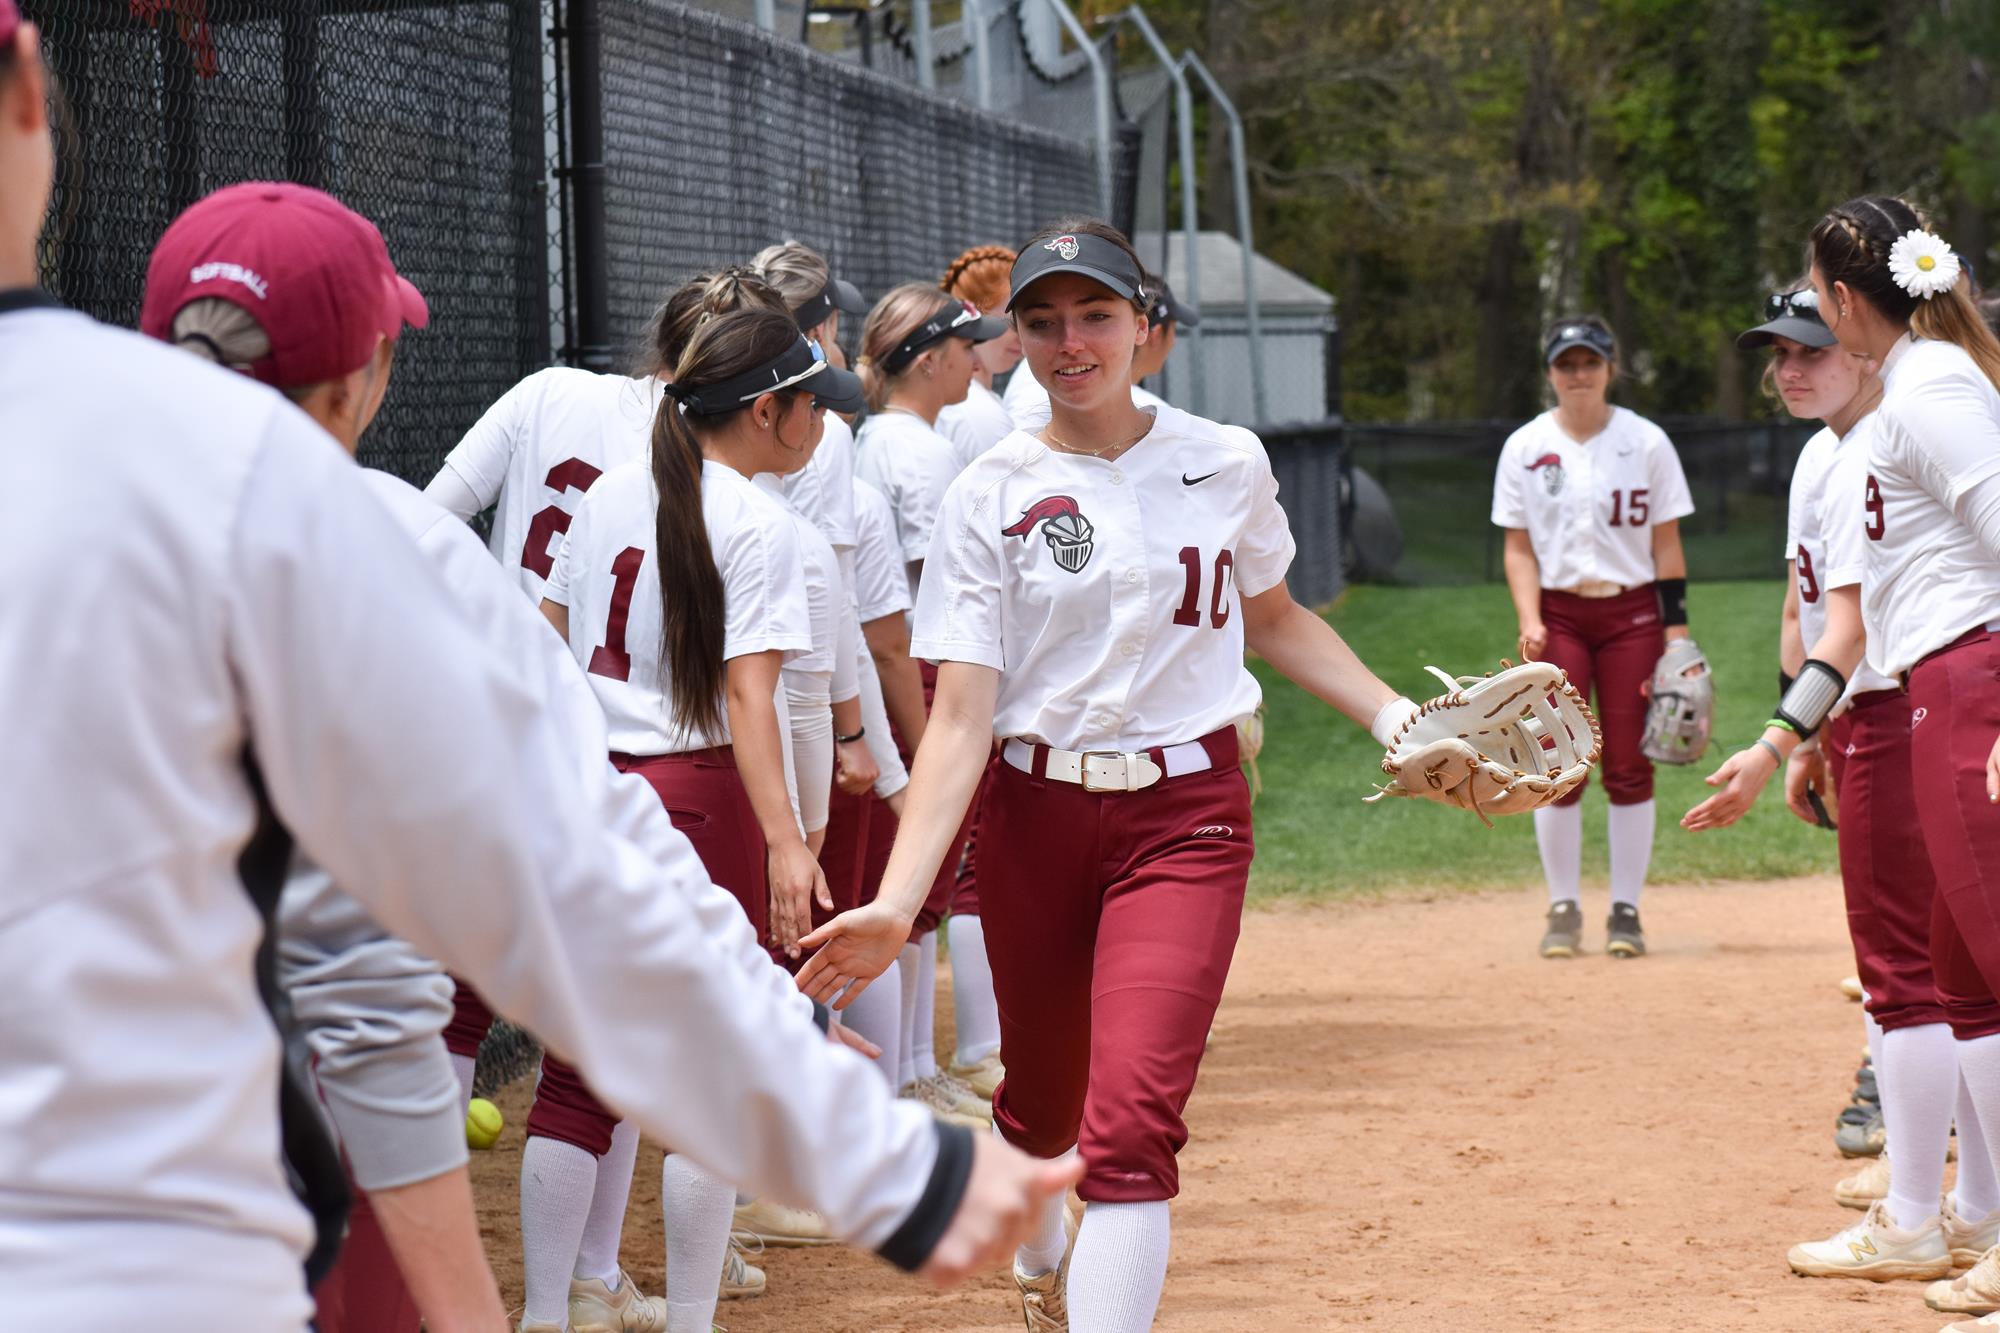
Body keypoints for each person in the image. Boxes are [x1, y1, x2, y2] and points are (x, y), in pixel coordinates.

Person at [0, 12, 1075, 1324]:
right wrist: (876, 1158)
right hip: (144, 1251)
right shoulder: (305, 512)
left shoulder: (515, 452)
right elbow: (564, 891)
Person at [798, 219, 1430, 1333]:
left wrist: (1394, 717)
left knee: (1129, 1129)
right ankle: (1042, 1265)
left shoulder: (1222, 458)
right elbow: (958, 717)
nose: (1068, 341)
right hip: (1035, 813)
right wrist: (899, 901)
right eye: (1041, 321)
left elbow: (1273, 617)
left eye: (1094, 315)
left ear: (1145, 328)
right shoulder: (986, 488)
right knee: (1039, 1109)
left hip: (1185, 819)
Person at [1685, 199, 2000, 1325]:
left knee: (1977, 969)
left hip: (1969, 681)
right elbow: (1845, 625)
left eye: (1813, 298)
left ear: (1846, 300)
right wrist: (1776, 742)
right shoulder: (1897, 407)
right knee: (1961, 976)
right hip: (1924, 688)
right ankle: (1952, 1216)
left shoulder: (1935, 390)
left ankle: (1944, 1215)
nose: (1803, 330)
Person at [1490, 315, 1695, 960]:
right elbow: (1518, 547)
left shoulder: (1647, 442)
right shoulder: (1526, 446)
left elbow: (1667, 544)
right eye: (1566, 363)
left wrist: (1677, 634)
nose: (1578, 375)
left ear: (1611, 367)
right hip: (1561, 615)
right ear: (1549, 371)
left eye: (1590, 362)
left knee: (1630, 764)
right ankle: (1563, 905)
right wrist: (1530, 617)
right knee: (1558, 764)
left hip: (1633, 613)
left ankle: (1626, 910)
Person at [852, 283, 1008, 1127]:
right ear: (931, 359)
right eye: (964, 346)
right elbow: (923, 597)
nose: (977, 359)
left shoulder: (899, 438)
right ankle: (908, 1072)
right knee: (923, 879)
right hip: (922, 674)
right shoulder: (912, 451)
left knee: (921, 883)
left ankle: (914, 1066)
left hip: (908, 671)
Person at [937, 243, 1025, 467]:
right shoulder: (977, 410)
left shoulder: (974, 401)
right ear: (975, 317)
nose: (1022, 337)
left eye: (1031, 323)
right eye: (1012, 322)